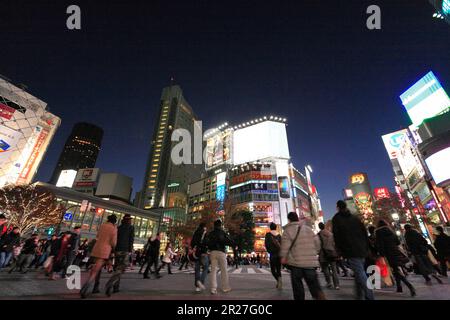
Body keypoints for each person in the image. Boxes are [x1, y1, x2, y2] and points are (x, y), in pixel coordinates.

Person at [332, 200, 374, 300]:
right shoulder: (355, 218)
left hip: (350, 249)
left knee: (360, 273)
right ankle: (359, 295)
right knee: (359, 271)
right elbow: (364, 232)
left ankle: (370, 296)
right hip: (362, 248)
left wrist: (339, 250)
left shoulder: (337, 219)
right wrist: (367, 247)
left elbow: (337, 236)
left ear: (337, 207)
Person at [280, 212, 325, 300]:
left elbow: (285, 247)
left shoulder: (288, 231)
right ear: (297, 218)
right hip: (310, 264)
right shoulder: (308, 229)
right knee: (315, 287)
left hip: (296, 264)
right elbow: (318, 243)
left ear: (289, 220)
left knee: (298, 289)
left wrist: (283, 257)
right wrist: (312, 253)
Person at [80, 215, 118, 298]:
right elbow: (113, 242)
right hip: (105, 250)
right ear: (115, 221)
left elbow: (97, 236)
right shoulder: (114, 228)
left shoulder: (102, 225)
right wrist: (114, 249)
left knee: (97, 269)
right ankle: (85, 288)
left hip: (97, 248)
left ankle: (95, 286)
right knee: (96, 270)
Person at [375, 220, 416, 296]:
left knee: (396, 270)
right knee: (396, 269)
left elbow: (379, 244)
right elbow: (397, 242)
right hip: (396, 251)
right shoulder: (391, 230)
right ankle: (399, 287)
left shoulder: (378, 232)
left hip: (387, 253)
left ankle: (410, 286)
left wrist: (381, 254)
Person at [105, 214, 134, 296]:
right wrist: (130, 250)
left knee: (117, 267)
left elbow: (115, 239)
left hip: (117, 250)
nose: (131, 221)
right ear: (128, 220)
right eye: (130, 219)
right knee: (121, 269)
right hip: (125, 250)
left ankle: (116, 287)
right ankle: (110, 283)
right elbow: (131, 239)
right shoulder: (131, 227)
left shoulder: (118, 227)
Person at [206, 219, 234, 294]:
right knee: (224, 270)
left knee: (213, 270)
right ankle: (225, 287)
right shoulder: (222, 232)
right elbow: (228, 241)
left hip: (213, 252)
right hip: (221, 252)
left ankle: (213, 288)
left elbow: (207, 242)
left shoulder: (211, 233)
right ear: (220, 225)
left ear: (214, 225)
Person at [318, 222, 340, 290]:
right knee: (334, 269)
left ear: (319, 227)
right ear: (324, 226)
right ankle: (336, 285)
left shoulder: (318, 235)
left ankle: (329, 282)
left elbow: (317, 245)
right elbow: (334, 243)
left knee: (325, 269)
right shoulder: (331, 234)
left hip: (323, 253)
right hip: (331, 253)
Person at [191, 222, 209, 292]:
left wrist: (194, 248)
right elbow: (206, 243)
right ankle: (201, 282)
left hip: (197, 253)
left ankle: (197, 285)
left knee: (197, 269)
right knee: (206, 267)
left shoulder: (196, 232)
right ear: (204, 227)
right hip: (203, 252)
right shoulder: (204, 233)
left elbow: (192, 242)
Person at [265, 222, 282, 289]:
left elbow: (266, 245)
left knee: (272, 270)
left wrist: (269, 251)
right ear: (276, 227)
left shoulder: (268, 235)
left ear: (270, 227)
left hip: (273, 254)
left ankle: (278, 281)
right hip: (279, 254)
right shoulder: (279, 235)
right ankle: (279, 281)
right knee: (278, 270)